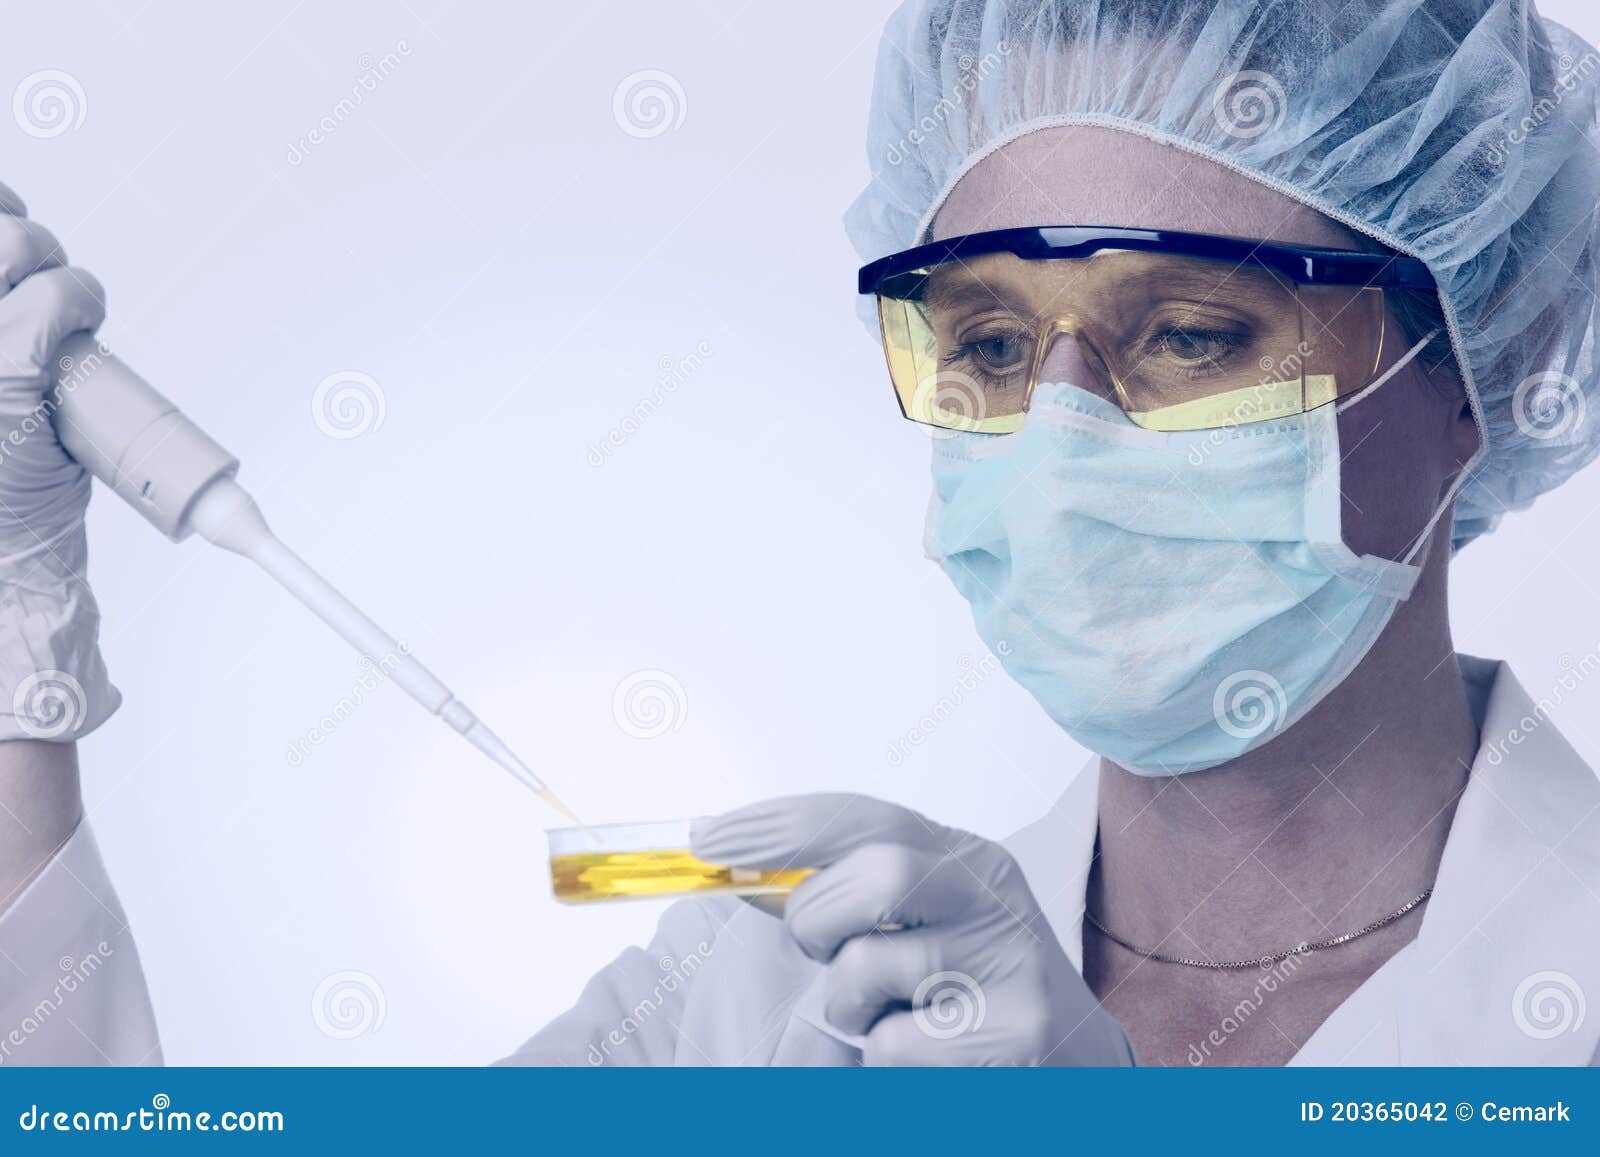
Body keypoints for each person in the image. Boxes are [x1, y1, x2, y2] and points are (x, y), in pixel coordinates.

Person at [3, 0, 1598, 1068]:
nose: (1059, 437)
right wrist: (16, 638)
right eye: (984, 344)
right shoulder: (757, 999)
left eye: (1186, 333)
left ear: (1491, 361)